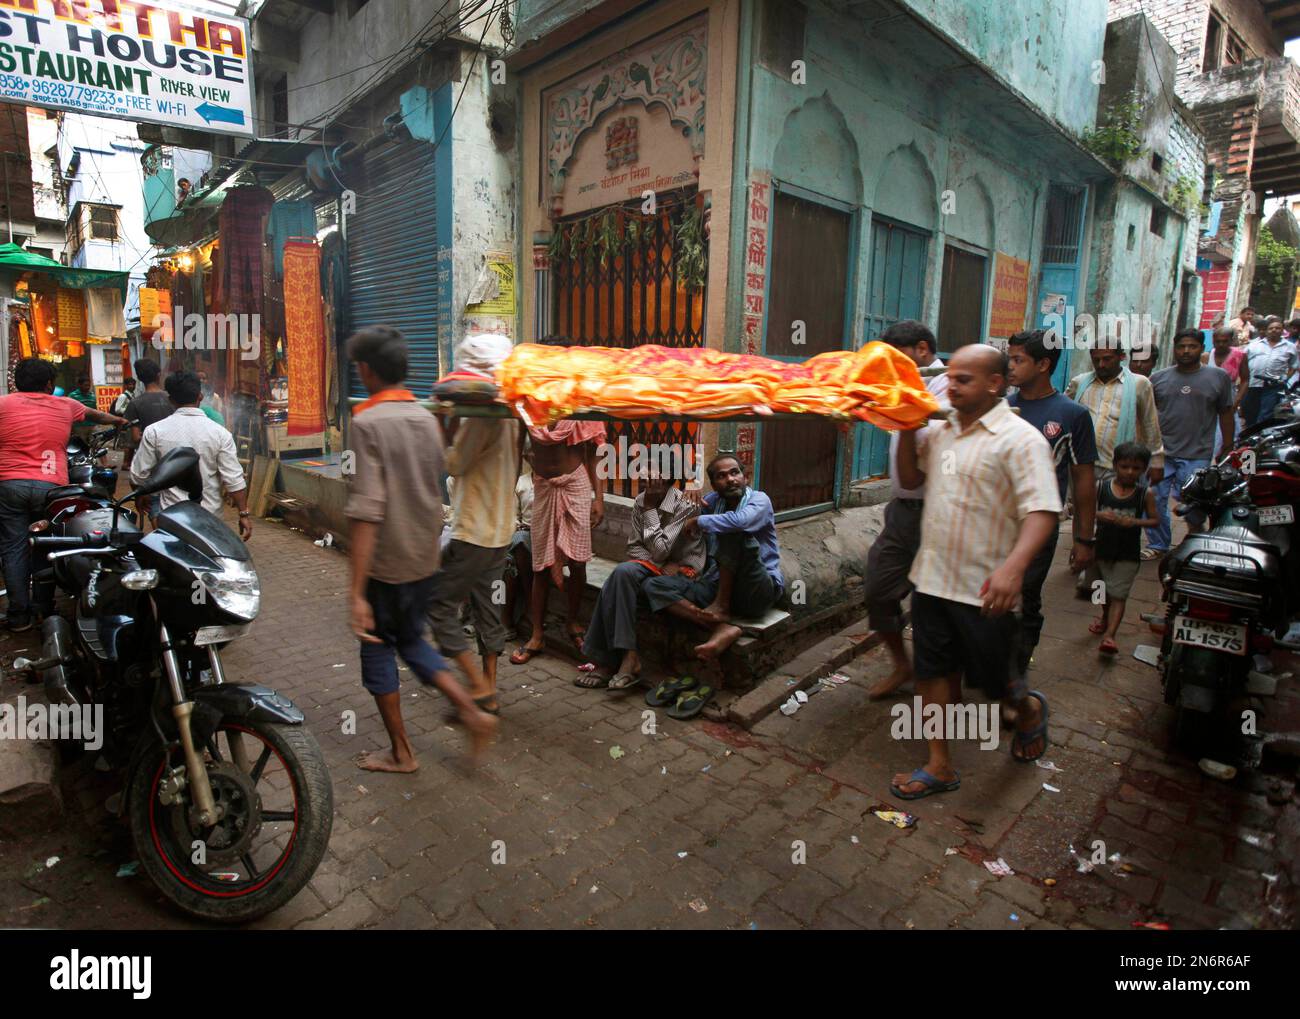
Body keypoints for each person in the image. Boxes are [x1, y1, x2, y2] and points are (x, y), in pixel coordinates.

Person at [890, 344, 1061, 799]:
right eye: (949, 377)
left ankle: (1027, 711)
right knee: (933, 674)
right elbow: (909, 479)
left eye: (963, 379)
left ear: (995, 383)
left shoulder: (1021, 440)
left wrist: (1013, 569)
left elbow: (1043, 510)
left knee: (996, 686)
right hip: (932, 580)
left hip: (986, 590)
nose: (950, 385)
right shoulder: (941, 428)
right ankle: (939, 764)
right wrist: (907, 429)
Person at [343, 326, 496, 772]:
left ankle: (402, 753)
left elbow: (367, 511)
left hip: (385, 564)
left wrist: (355, 593)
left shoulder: (366, 422)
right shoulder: (426, 418)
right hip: (423, 555)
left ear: (367, 371)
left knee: (376, 647)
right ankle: (470, 711)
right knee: (411, 640)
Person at [426, 334, 522, 720]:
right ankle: (490, 690)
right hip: (500, 529)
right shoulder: (512, 412)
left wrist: (439, 421)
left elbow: (452, 464)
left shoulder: (483, 417)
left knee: (439, 604)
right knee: (488, 610)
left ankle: (477, 690)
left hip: (475, 531)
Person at [0, 358, 128, 630]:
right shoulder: (66, 405)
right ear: (49, 384)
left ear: (16, 382)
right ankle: (44, 609)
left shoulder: (3, 404)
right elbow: (98, 416)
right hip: (51, 489)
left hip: (9, 485)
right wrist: (119, 420)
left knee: (13, 548)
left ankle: (18, 616)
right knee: (45, 545)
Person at [861, 320, 949, 699]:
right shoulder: (902, 385)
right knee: (878, 589)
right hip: (903, 510)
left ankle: (945, 681)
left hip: (942, 511)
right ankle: (902, 664)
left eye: (899, 358)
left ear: (923, 350)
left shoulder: (948, 383)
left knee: (937, 604)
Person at [1006, 329, 1098, 672]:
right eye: (1009, 358)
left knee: (1025, 595)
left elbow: (1083, 481)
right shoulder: (1001, 406)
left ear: (1044, 364)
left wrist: (1084, 539)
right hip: (996, 522)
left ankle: (1017, 669)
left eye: (1018, 360)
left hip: (1037, 525)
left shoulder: (1072, 415)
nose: (1010, 367)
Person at [576, 473, 706, 690]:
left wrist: (650, 510)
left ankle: (611, 661)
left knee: (620, 577)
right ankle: (627, 656)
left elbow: (661, 549)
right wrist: (655, 564)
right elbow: (634, 547)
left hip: (684, 572)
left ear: (667, 477)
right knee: (620, 576)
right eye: (643, 470)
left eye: (653, 471)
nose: (645, 476)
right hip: (658, 568)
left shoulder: (685, 504)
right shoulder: (641, 500)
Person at [668, 454, 784, 661]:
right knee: (654, 586)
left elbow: (740, 522)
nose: (730, 479)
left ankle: (721, 607)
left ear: (745, 477)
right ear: (713, 485)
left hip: (755, 591)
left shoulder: (760, 500)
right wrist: (690, 493)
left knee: (734, 531)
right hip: (716, 584)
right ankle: (721, 625)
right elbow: (678, 524)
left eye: (734, 473)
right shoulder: (713, 501)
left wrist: (699, 521)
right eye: (722, 476)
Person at [509, 419, 606, 664]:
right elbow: (516, 448)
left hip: (576, 486)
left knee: (577, 562)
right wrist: (507, 492)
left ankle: (572, 623)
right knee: (540, 563)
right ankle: (537, 634)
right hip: (543, 487)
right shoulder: (527, 405)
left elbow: (593, 453)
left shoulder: (577, 402)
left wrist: (599, 499)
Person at [1144, 329, 1235, 558]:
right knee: (1153, 498)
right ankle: (1158, 545)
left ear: (1201, 348)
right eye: (1181, 346)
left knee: (1195, 504)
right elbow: (1148, 415)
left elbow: (1225, 412)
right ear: (1174, 349)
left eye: (1192, 346)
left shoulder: (1218, 378)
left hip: (1198, 453)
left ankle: (1195, 534)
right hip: (1162, 452)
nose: (1186, 351)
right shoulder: (1159, 378)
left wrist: (1228, 445)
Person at [130, 371, 252, 536]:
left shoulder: (154, 431)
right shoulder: (220, 433)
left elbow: (139, 475)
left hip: (172, 519)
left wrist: (141, 496)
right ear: (200, 396)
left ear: (170, 400)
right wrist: (243, 513)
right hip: (210, 518)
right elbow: (233, 479)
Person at [1090, 442, 1158, 656]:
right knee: (1099, 592)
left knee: (1119, 594)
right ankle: (1104, 617)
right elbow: (1084, 510)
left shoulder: (1145, 494)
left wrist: (1135, 523)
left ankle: (1110, 635)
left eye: (1136, 468)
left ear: (1144, 469)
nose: (1130, 472)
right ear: (1115, 465)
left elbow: (1155, 520)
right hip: (1100, 550)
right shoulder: (1101, 487)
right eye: (1125, 466)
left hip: (1127, 553)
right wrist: (1100, 515)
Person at [1241, 316, 1298, 426]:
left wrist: (1285, 378)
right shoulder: (1254, 345)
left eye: (1277, 328)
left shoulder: (1290, 347)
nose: (1274, 330)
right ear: (1267, 331)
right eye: (1271, 328)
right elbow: (1243, 363)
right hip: (1253, 384)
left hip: (1273, 386)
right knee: (1249, 411)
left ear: (1282, 331)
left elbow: (1293, 366)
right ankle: (1249, 433)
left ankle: (1260, 435)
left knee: (1266, 413)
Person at [503, 466, 535, 639]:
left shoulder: (552, 481)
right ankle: (507, 618)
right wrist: (518, 525)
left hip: (545, 537)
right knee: (510, 561)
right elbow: (513, 515)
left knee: (518, 543)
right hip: (522, 535)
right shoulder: (521, 482)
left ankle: (508, 619)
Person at [125, 358, 174, 447]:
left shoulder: (135, 403)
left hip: (147, 455)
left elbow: (135, 438)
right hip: (173, 454)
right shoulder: (173, 399)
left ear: (139, 378)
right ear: (159, 375)